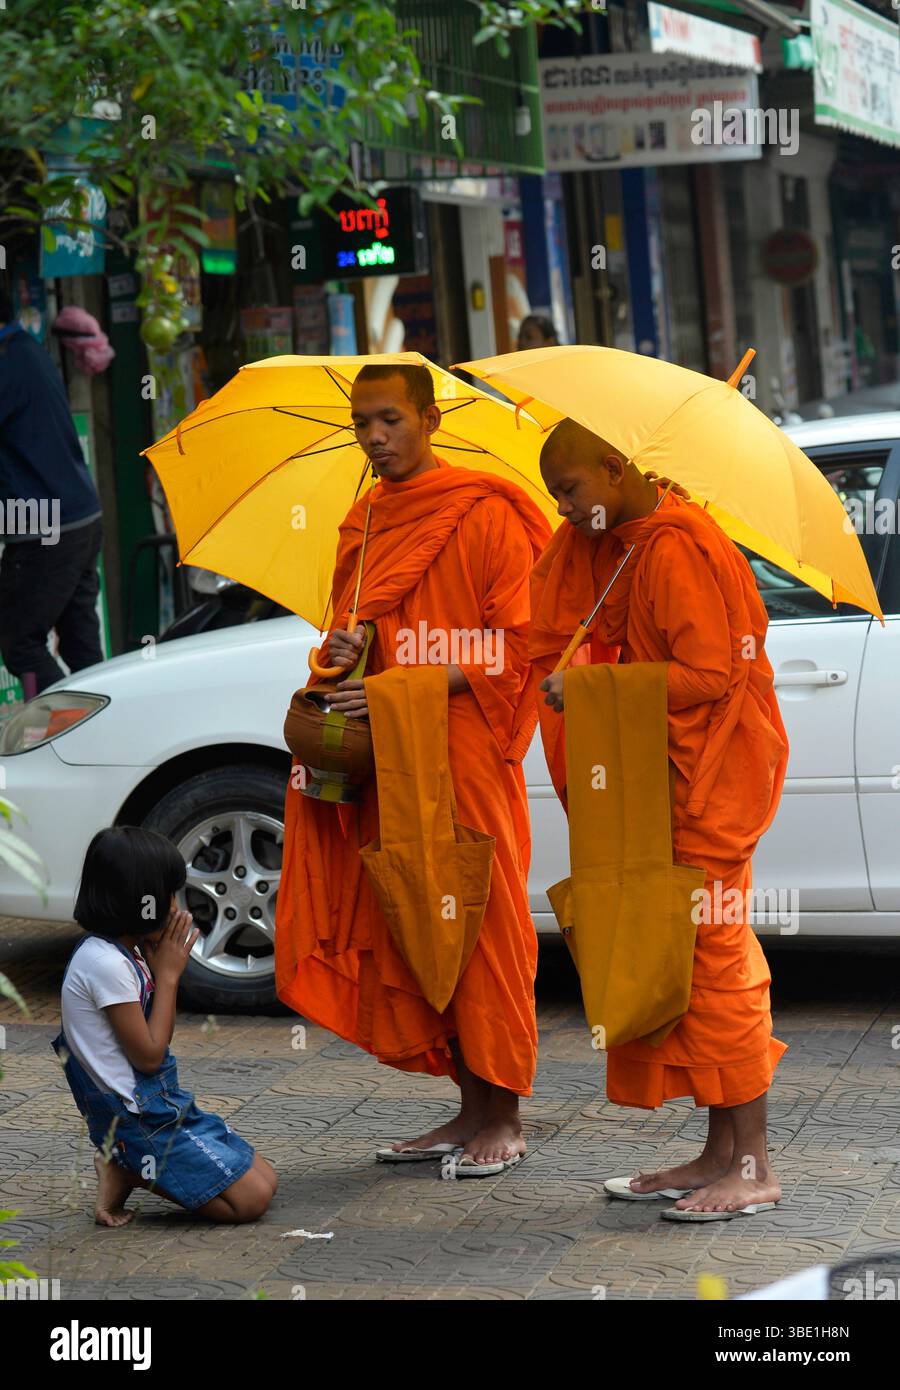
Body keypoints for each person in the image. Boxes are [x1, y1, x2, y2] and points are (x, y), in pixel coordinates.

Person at [276, 364, 553, 1172]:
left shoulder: (488, 513)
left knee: (484, 923)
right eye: (361, 422)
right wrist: (339, 652)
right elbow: (350, 632)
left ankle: (506, 1117)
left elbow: (519, 647)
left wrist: (409, 681)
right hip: (392, 756)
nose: (374, 438)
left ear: (430, 418)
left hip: (464, 749)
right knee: (418, 921)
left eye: (390, 419)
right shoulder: (363, 522)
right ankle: (468, 1112)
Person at [530, 419, 789, 1218]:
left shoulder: (675, 545)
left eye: (571, 491)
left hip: (707, 783)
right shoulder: (629, 542)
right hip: (659, 784)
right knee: (686, 964)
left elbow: (710, 673)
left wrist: (597, 690)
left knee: (716, 967)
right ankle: (718, 1154)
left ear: (615, 468)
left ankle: (754, 1167)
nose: (564, 510)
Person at [55, 826, 277, 1227]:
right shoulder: (104, 964)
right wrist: (170, 976)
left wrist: (160, 968)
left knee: (267, 1178)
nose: (176, 907)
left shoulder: (126, 951)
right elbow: (150, 1056)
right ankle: (129, 1165)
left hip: (161, 1104)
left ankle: (131, 1164)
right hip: (134, 1119)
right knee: (251, 1202)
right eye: (168, 895)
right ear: (140, 902)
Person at [0, 288, 104, 697]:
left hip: (45, 528)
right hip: (79, 516)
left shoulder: (8, 361)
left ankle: (69, 731)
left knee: (20, 645)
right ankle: (105, 736)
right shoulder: (26, 349)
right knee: (82, 648)